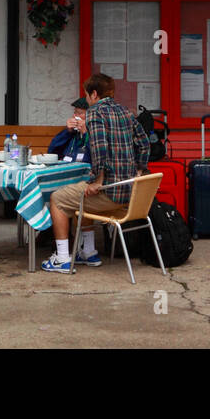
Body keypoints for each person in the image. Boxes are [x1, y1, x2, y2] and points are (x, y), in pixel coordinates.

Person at [41, 73, 149, 273]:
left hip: (110, 193)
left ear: (93, 94)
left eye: (87, 95)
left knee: (58, 198)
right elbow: (144, 143)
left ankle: (63, 258)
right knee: (78, 194)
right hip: (131, 194)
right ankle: (88, 252)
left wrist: (97, 180)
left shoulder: (95, 113)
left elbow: (100, 149)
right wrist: (140, 171)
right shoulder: (126, 112)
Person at [49, 96, 91, 163]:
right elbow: (52, 151)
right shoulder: (72, 134)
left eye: (80, 113)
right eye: (75, 113)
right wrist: (67, 131)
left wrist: (85, 134)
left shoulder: (94, 134)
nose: (75, 116)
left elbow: (94, 157)